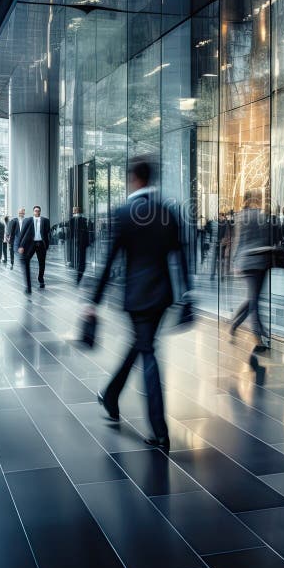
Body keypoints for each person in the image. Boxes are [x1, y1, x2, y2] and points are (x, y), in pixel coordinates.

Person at [88, 156, 189, 449]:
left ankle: (160, 430)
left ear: (134, 179)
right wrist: (187, 293)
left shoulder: (123, 213)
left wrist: (92, 301)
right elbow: (180, 256)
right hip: (162, 296)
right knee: (142, 344)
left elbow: (109, 261)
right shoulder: (167, 212)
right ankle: (110, 395)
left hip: (136, 296)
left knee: (147, 353)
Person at [229, 190, 272, 350]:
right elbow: (267, 238)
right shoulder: (262, 216)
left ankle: (235, 323)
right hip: (260, 261)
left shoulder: (240, 216)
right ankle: (257, 336)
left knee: (253, 299)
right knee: (254, 300)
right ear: (256, 200)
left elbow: (238, 241)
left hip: (247, 262)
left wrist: (234, 261)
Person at [18, 205, 50, 294]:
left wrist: (47, 245)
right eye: (35, 211)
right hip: (30, 245)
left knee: (42, 263)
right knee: (26, 261)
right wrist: (20, 245)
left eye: (38, 211)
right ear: (33, 212)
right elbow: (22, 233)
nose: (37, 212)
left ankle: (41, 278)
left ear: (40, 212)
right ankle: (28, 284)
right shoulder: (27, 220)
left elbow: (48, 233)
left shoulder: (45, 221)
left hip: (41, 244)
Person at [68, 206, 90, 284]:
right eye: (74, 210)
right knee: (79, 258)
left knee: (81, 259)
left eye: (76, 210)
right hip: (76, 242)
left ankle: (79, 274)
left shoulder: (83, 220)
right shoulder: (72, 220)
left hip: (81, 243)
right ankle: (79, 272)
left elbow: (86, 231)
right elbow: (71, 232)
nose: (75, 211)